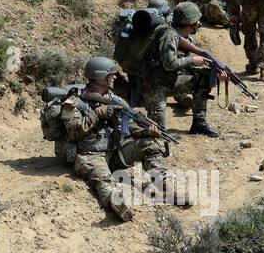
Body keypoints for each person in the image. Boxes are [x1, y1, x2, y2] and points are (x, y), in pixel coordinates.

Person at [62, 56, 187, 220]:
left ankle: (166, 189)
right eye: (111, 74)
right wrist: (96, 114)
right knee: (103, 179)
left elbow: (130, 127)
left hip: (115, 153)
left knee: (150, 144)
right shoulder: (74, 102)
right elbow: (73, 131)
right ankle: (117, 203)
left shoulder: (115, 99)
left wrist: (147, 132)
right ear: (100, 77)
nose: (115, 77)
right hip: (90, 156)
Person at [140, 1, 222, 138]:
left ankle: (199, 123)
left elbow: (182, 62)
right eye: (196, 22)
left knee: (203, 78)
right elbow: (170, 64)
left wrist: (213, 70)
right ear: (190, 23)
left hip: (168, 81)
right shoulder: (170, 36)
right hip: (154, 86)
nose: (198, 25)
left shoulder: (178, 34)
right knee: (158, 134)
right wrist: (193, 60)